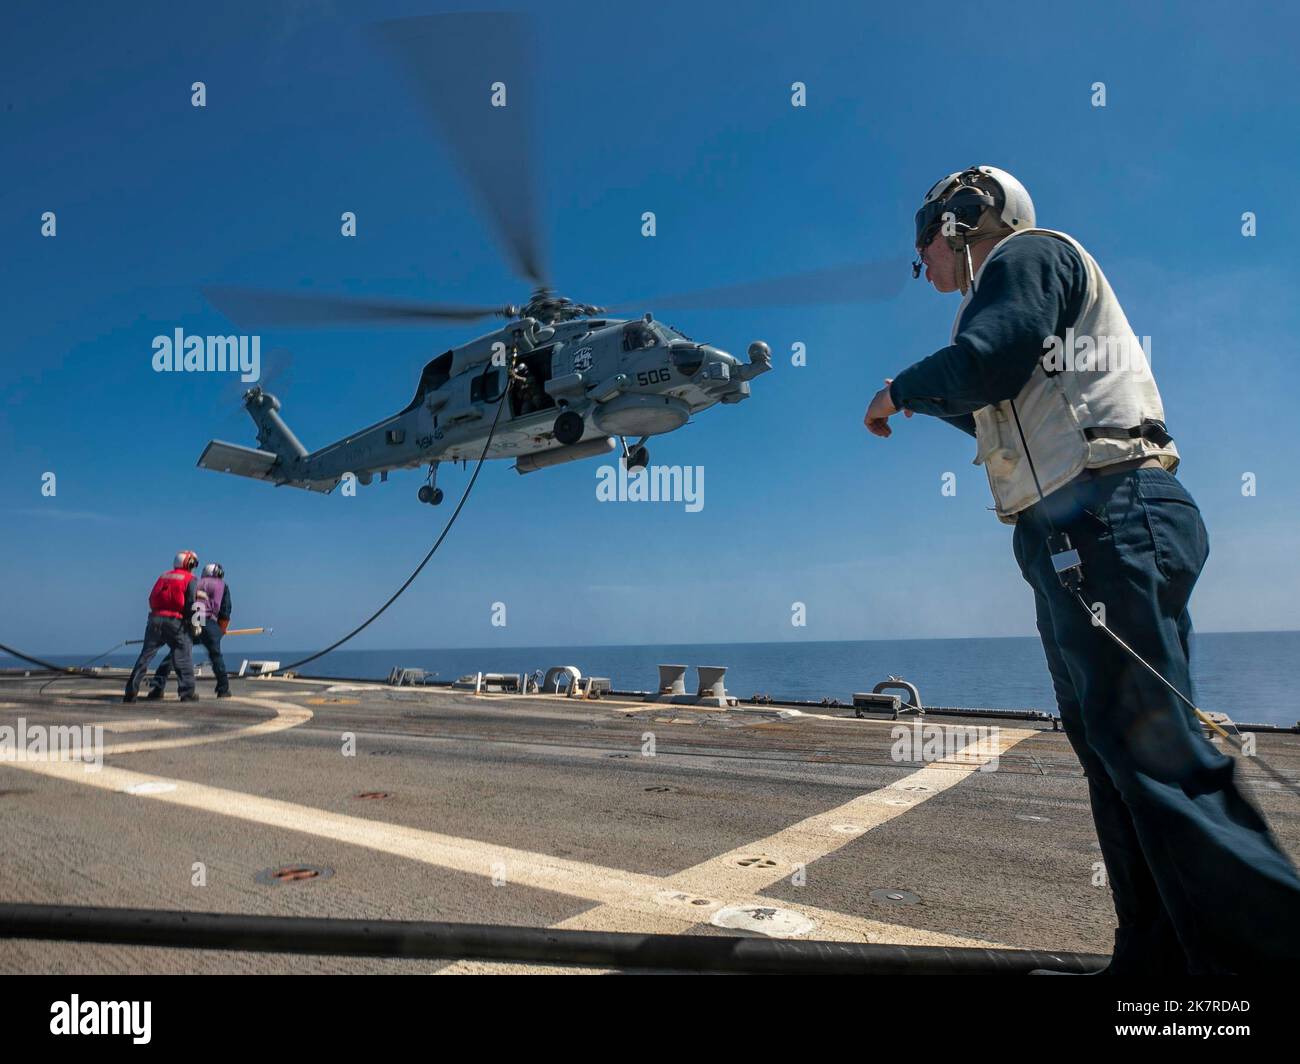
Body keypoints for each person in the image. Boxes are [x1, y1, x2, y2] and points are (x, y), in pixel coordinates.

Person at [863, 165, 1300, 974]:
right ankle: (1154, 961)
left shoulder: (1024, 258)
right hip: (1074, 532)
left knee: (1155, 757)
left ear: (961, 217)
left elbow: (987, 362)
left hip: (1109, 516)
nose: (920, 262)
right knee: (1112, 753)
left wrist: (898, 391)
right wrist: (925, 399)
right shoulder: (1008, 300)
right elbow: (1003, 404)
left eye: (921, 242)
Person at [124, 550, 200, 703]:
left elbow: (151, 597)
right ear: (189, 563)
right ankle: (187, 693)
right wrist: (196, 624)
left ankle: (131, 692)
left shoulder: (163, 576)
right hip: (175, 622)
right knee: (183, 655)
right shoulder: (190, 579)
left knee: (145, 656)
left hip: (155, 620)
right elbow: (192, 604)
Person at [148, 562, 232, 699]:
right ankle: (223, 689)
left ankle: (157, 687)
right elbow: (225, 610)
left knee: (176, 652)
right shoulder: (223, 585)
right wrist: (220, 631)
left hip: (192, 620)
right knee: (216, 656)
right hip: (209, 623)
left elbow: (186, 602)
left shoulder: (195, 582)